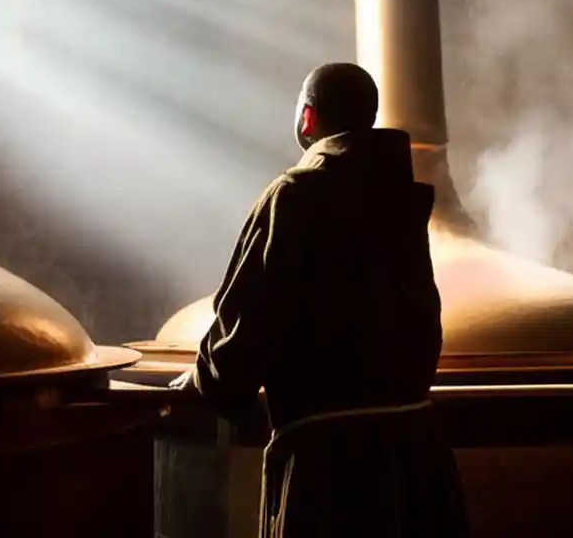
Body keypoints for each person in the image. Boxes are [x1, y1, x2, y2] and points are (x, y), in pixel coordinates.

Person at [171, 63, 467, 537]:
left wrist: (208, 379)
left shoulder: (293, 195)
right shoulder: (399, 196)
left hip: (331, 469)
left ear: (307, 119)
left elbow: (248, 323)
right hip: (416, 460)